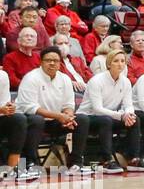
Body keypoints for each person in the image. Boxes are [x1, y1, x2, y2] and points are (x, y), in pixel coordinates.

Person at [16, 46, 91, 174]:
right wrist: (59, 116)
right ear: (41, 62)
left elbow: (68, 104)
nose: (52, 63)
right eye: (48, 60)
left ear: (60, 63)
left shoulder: (65, 79)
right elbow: (30, 107)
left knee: (82, 119)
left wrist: (68, 116)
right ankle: (30, 163)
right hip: (29, 121)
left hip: (55, 121)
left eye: (55, 60)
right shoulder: (31, 78)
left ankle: (76, 163)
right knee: (37, 120)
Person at [75, 48, 138, 174]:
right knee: (105, 121)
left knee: (135, 119)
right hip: (88, 117)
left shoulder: (125, 81)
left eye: (122, 61)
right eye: (116, 61)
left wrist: (128, 114)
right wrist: (120, 116)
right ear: (109, 64)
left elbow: (128, 104)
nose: (120, 64)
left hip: (110, 116)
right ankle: (107, 160)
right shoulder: (97, 80)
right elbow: (97, 109)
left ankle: (133, 158)